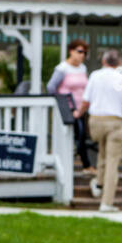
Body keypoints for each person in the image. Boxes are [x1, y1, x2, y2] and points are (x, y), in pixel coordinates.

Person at [75, 50, 122, 212]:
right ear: (119, 64)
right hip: (115, 123)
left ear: (103, 61)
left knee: (103, 152)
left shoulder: (95, 76)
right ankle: (106, 202)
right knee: (112, 162)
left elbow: (85, 101)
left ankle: (98, 183)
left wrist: (77, 114)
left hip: (96, 122)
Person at [47, 40, 91, 168]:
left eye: (85, 53)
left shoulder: (83, 68)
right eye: (79, 51)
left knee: (81, 135)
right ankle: (67, 163)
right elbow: (51, 86)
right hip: (67, 108)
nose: (82, 55)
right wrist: (61, 102)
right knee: (69, 135)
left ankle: (85, 164)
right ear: (71, 51)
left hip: (81, 108)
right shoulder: (62, 68)